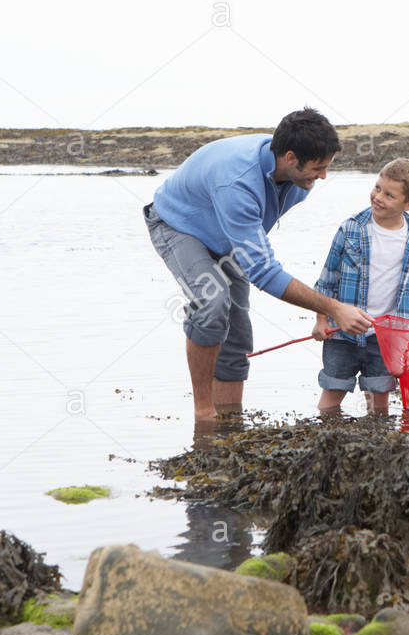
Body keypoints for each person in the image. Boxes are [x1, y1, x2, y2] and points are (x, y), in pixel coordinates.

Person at [144, 107, 372, 421]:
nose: (322, 177)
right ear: (291, 157)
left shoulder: (298, 182)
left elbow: (254, 239)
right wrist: (333, 308)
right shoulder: (237, 182)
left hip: (227, 234)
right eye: (318, 168)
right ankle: (203, 415)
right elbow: (264, 272)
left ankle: (230, 423)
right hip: (178, 224)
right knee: (211, 303)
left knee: (237, 333)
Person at [312, 158, 409, 415]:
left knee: (380, 396)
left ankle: (380, 445)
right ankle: (322, 436)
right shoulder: (351, 228)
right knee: (333, 390)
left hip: (388, 337)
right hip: (342, 331)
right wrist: (321, 320)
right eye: (377, 188)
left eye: (389, 195)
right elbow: (327, 279)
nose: (378, 197)